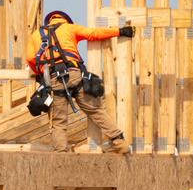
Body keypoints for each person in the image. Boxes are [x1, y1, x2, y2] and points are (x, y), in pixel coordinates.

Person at [26, 10, 134, 154]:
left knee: (58, 122)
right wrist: (120, 31)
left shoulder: (36, 35)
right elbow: (94, 34)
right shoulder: (71, 28)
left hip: (54, 80)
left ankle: (61, 156)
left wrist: (40, 73)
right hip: (75, 75)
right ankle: (119, 141)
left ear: (49, 21)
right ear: (65, 20)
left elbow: (30, 58)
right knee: (94, 110)